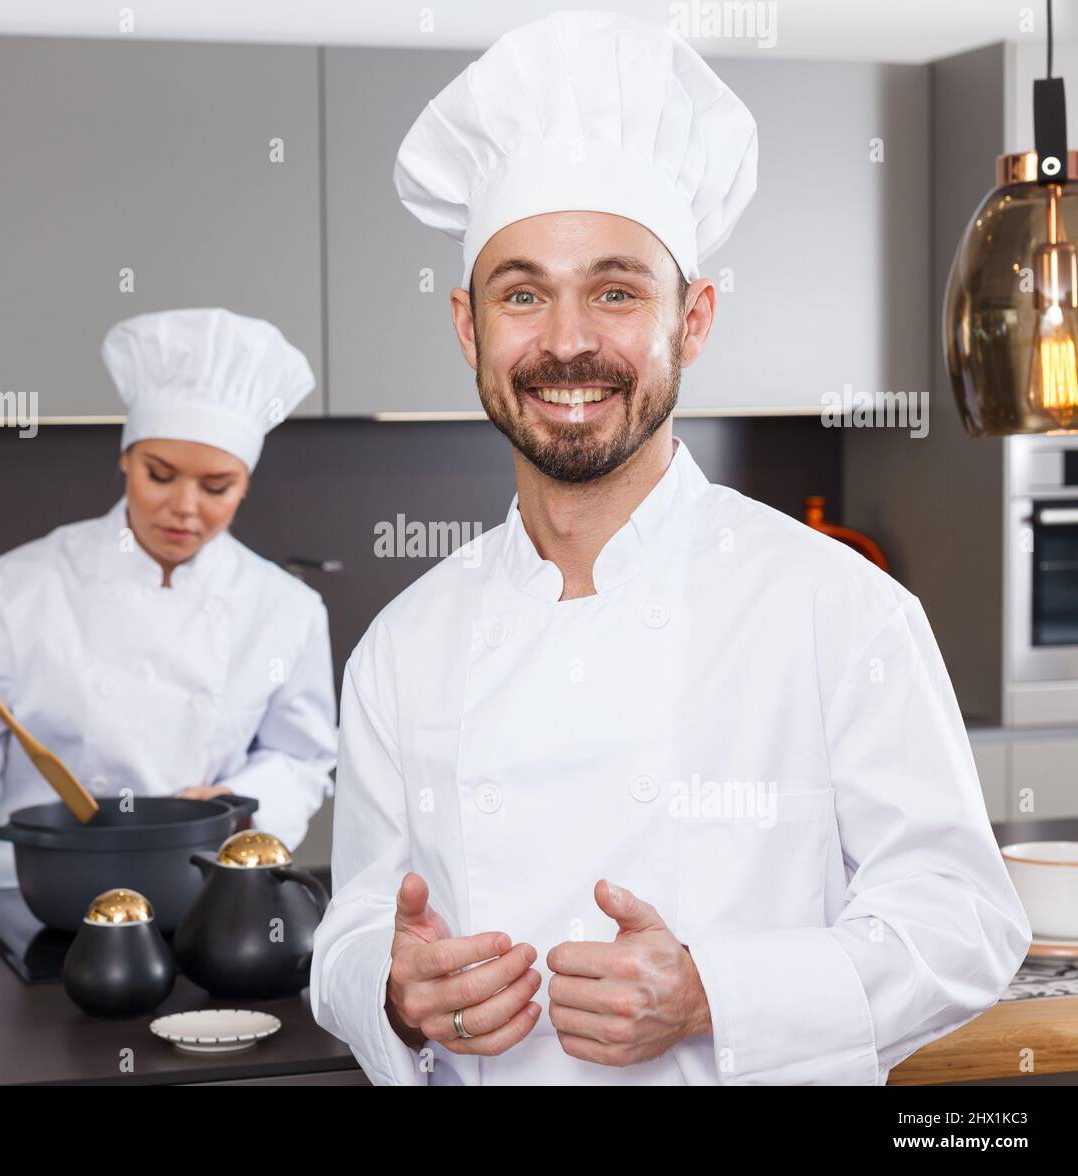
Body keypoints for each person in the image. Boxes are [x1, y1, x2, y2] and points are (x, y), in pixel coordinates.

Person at [309, 10, 1031, 1085]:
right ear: (468, 329)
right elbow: (354, 930)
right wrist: (394, 993)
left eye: (614, 290)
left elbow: (962, 923)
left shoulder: (838, 609)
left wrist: (712, 994)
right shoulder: (402, 647)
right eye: (521, 294)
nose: (563, 342)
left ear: (690, 321)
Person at [0, 307, 337, 888]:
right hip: (38, 896)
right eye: (160, 474)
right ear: (125, 458)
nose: (184, 507)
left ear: (246, 483)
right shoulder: (16, 587)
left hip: (203, 890)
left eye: (216, 487)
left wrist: (239, 800)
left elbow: (302, 758)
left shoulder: (286, 608)